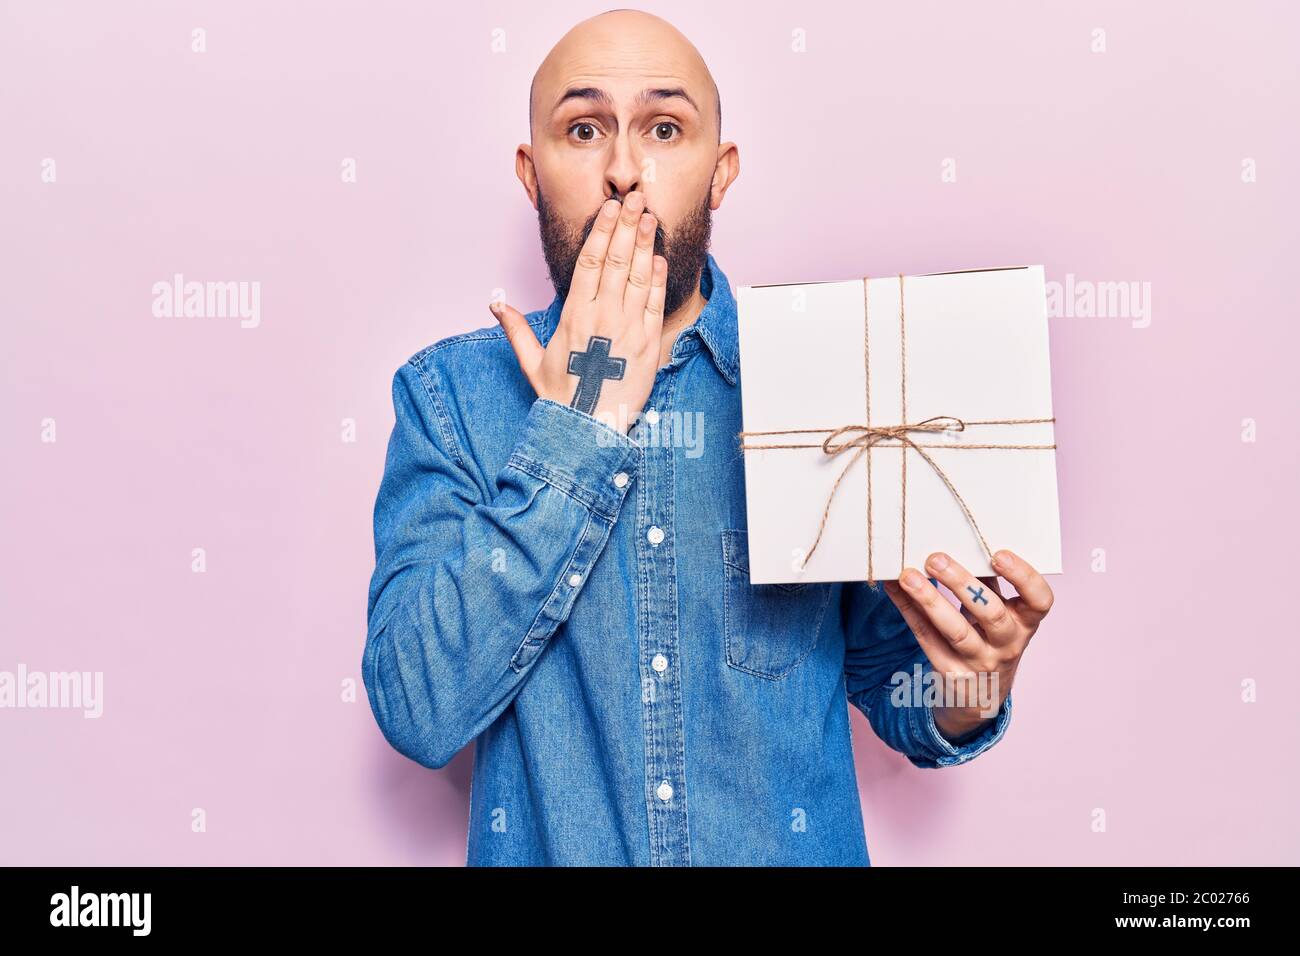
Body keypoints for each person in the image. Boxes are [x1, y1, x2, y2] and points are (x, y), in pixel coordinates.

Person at [362, 8, 1054, 866]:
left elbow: (892, 682)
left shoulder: (825, 379)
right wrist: (576, 429)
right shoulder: (449, 399)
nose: (623, 171)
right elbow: (417, 710)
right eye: (583, 130)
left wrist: (972, 684)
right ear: (531, 174)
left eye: (664, 129)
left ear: (720, 173)